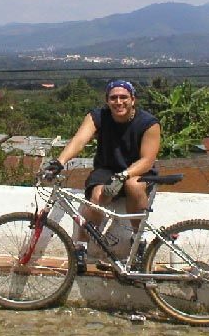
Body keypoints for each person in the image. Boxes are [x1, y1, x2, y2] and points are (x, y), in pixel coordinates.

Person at [42, 80, 161, 274]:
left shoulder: (148, 123)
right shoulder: (98, 117)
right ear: (107, 101)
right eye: (113, 98)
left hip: (137, 170)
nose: (118, 102)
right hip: (106, 169)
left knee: (134, 185)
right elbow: (79, 140)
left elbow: (147, 159)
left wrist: (123, 175)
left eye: (124, 97)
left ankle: (139, 240)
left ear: (133, 100)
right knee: (97, 197)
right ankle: (80, 247)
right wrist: (60, 162)